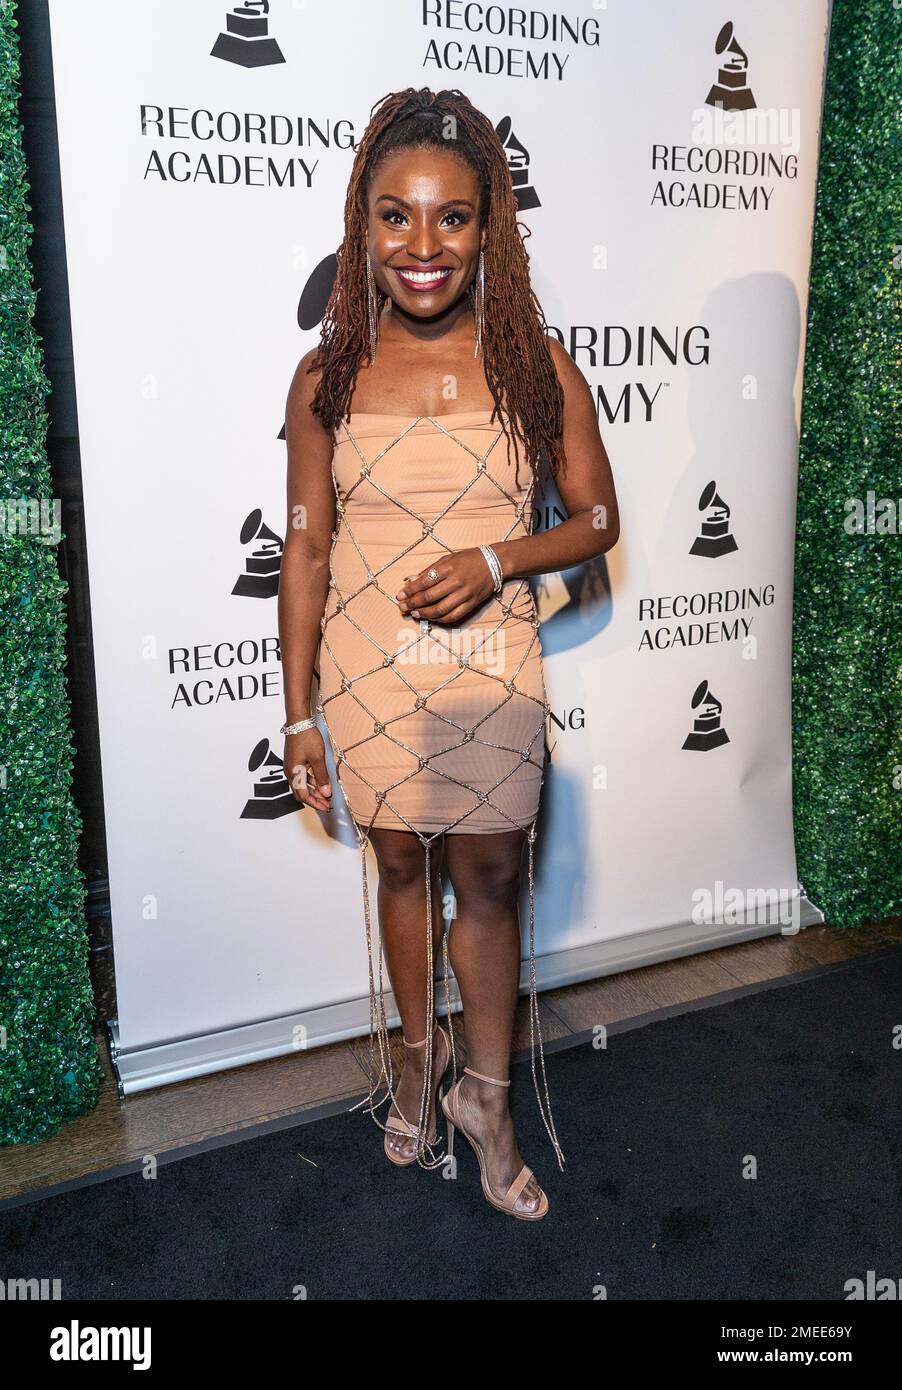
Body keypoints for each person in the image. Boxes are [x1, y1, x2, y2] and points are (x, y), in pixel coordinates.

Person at [279, 87, 618, 1220]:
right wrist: (293, 713)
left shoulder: (534, 367)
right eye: (395, 217)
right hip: (368, 671)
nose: (423, 247)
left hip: (489, 664)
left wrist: (494, 559)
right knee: (400, 869)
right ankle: (415, 1058)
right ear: (361, 227)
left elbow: (597, 526)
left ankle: (486, 1097)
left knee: (486, 877)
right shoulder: (323, 378)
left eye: (452, 219)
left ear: (488, 229)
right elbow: (308, 548)